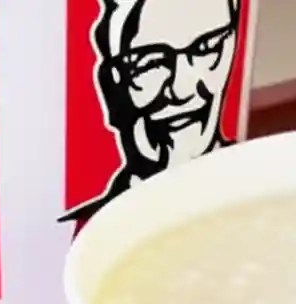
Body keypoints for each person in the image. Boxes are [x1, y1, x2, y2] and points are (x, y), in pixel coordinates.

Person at [61, 0, 242, 226]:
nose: (182, 90)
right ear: (112, 85)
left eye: (206, 48)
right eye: (150, 63)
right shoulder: (86, 233)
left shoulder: (249, 200)